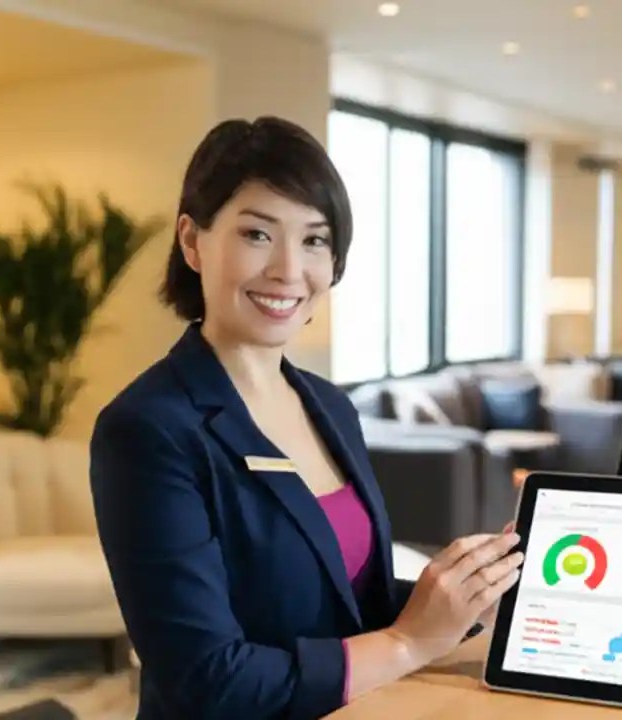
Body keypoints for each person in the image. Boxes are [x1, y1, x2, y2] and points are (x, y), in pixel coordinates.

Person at [89, 116, 523, 720]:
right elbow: (209, 680)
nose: (290, 270)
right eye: (258, 235)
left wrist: (462, 601)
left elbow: (341, 605)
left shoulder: (331, 406)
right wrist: (409, 641)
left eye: (315, 239)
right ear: (192, 241)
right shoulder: (149, 429)